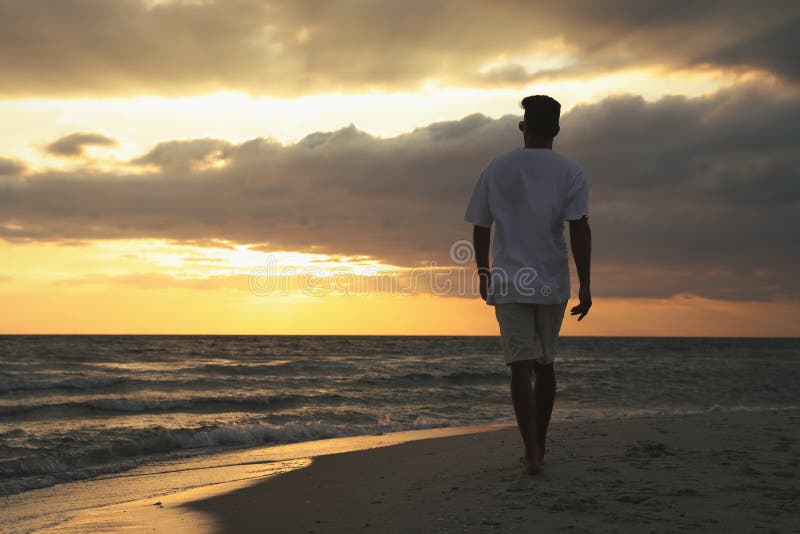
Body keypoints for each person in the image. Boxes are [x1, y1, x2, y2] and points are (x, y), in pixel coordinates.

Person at [464, 95, 592, 475]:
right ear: (556, 128)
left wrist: (483, 273)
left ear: (524, 126)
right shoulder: (572, 171)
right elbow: (579, 227)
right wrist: (585, 284)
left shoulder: (497, 167)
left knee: (519, 366)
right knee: (544, 364)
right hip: (552, 280)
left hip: (508, 279)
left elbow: (480, 225)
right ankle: (542, 444)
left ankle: (530, 450)